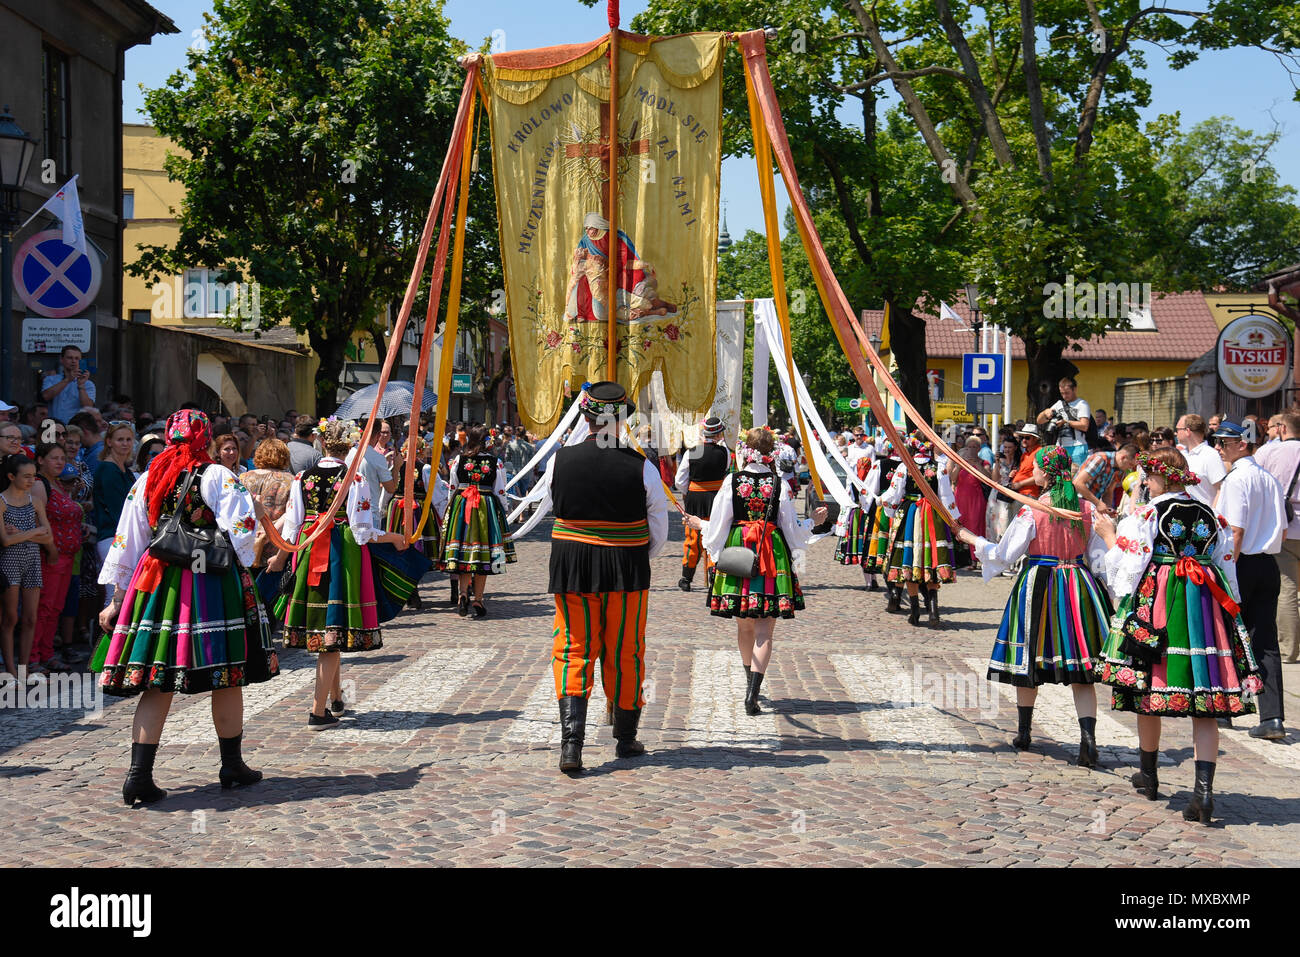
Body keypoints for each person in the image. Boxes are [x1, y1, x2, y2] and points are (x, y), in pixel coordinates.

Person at [90, 410, 277, 804]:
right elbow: (242, 529)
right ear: (206, 439)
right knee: (227, 674)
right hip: (211, 580)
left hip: (158, 581)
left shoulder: (146, 479)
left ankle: (138, 775)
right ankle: (231, 764)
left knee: (158, 680)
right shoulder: (216, 475)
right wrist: (253, 528)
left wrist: (118, 598)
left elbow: (128, 539)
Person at [1092, 448, 1263, 825]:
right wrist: (1228, 607)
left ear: (1160, 477)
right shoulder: (1209, 513)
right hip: (1203, 603)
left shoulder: (1151, 513)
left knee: (1145, 686)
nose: (1144, 484)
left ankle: (1149, 774)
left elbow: (1130, 565)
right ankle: (1204, 792)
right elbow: (1225, 563)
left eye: (1147, 478)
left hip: (1162, 598)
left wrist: (1107, 537)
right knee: (1204, 697)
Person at [536, 382, 668, 773]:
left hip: (572, 565)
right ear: (622, 418)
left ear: (586, 417)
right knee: (625, 650)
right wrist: (638, 552)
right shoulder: (642, 465)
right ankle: (625, 740)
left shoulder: (560, 459)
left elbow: (550, 503)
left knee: (572, 647)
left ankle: (571, 745)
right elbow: (658, 525)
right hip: (626, 567)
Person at [956, 446, 1112, 765]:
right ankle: (1088, 741)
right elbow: (1100, 559)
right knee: (1081, 669)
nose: (1033, 474)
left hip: (1039, 584)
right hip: (1078, 584)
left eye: (1036, 469)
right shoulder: (1086, 509)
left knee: (1027, 660)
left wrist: (971, 539)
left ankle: (1024, 732)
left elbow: (1004, 555)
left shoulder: (1033, 509)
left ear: (1046, 474)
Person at [268, 418, 410, 728]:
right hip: (341, 552)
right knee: (332, 631)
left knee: (326, 629)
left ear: (320, 443)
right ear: (350, 445)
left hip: (309, 548)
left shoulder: (302, 477)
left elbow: (292, 526)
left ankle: (335, 699)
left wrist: (280, 558)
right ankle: (318, 712)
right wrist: (394, 537)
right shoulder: (353, 478)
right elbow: (361, 531)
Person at [688, 425, 823, 716]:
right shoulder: (779, 484)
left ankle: (749, 680)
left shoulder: (732, 481)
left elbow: (720, 524)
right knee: (765, 628)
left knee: (744, 623)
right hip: (770, 551)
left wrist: (703, 528)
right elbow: (790, 529)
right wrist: (812, 521)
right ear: (770, 453)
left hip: (740, 548)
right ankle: (753, 693)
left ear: (746, 450)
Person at [1214, 420, 1288, 741]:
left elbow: (1236, 532)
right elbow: (1282, 529)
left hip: (1241, 564)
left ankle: (1231, 709)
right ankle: (1271, 716)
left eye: (1223, 442)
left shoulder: (1236, 479)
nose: (1218, 448)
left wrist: (1225, 570)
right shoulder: (1269, 478)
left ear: (1242, 444)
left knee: (1231, 637)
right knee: (1265, 641)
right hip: (1267, 563)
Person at [877, 432, 960, 628]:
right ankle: (933, 610)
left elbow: (894, 494)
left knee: (908, 559)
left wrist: (883, 502)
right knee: (930, 561)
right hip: (932, 516)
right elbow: (946, 497)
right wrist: (954, 521)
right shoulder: (939, 467)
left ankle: (915, 612)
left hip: (910, 514)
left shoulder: (904, 466)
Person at [439, 424, 515, 618]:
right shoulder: (495, 462)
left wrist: (451, 508)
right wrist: (503, 511)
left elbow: (453, 486)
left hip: (462, 504)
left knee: (464, 552)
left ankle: (463, 593)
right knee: (483, 554)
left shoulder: (459, 459)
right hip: (485, 507)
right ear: (486, 441)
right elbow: (500, 490)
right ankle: (478, 599)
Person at [562, 212, 675, 325]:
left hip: (614, 275)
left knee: (628, 293)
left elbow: (624, 260)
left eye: (590, 228)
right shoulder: (585, 241)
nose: (587, 231)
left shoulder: (612, 238)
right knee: (592, 300)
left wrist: (642, 264)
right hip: (593, 280)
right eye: (585, 228)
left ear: (597, 226)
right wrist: (578, 260)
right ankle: (649, 311)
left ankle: (658, 306)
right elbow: (576, 268)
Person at [0, 455, 53, 683]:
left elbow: (49, 535)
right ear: (12, 477)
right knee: (11, 617)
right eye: (27, 476)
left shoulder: (35, 501)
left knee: (30, 617)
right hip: (9, 561)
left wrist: (22, 535)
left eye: (34, 476)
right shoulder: (1, 501)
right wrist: (34, 532)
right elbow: (4, 541)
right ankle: (10, 668)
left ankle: (24, 669)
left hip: (32, 561)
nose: (31, 480)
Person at [1255, 409, 1300, 664]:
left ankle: (1289, 648)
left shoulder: (1271, 451)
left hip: (1286, 526)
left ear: (1282, 428)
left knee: (1287, 589)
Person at [32, 442, 81, 674]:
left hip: (66, 557)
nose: (60, 462)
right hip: (50, 557)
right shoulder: (40, 485)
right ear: (40, 460)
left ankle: (47, 653)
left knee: (55, 609)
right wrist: (51, 550)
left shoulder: (59, 485)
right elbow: (37, 521)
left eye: (63, 458)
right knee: (43, 608)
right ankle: (34, 657)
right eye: (54, 458)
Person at [241, 438, 295, 624]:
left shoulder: (244, 478)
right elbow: (293, 515)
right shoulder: (291, 481)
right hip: (276, 545)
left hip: (247, 544)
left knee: (246, 595)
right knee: (269, 598)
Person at [674, 416, 731, 592]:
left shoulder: (691, 452)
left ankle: (686, 577)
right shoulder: (725, 452)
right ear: (719, 433)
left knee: (692, 538)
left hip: (695, 499)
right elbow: (725, 472)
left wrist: (688, 491)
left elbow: (679, 480)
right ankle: (714, 574)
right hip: (716, 497)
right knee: (715, 534)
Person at [91, 423, 137, 605]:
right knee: (114, 598)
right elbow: (118, 510)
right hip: (113, 538)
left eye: (128, 439)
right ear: (109, 442)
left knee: (122, 598)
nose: (125, 444)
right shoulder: (108, 469)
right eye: (120, 440)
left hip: (123, 538)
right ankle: (107, 635)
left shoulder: (124, 470)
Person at [834, 428, 882, 590]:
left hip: (870, 517)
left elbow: (875, 466)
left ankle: (872, 579)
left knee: (869, 548)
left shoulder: (869, 451)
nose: (859, 438)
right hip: (858, 517)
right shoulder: (852, 483)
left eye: (861, 435)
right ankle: (869, 580)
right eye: (857, 435)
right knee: (863, 548)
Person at [1036, 375, 1092, 467]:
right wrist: (1046, 412)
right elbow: (1039, 421)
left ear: (1075, 389)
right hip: (1060, 447)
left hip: (1078, 446)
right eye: (1062, 393)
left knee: (1075, 477)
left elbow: (1084, 426)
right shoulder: (1059, 404)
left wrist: (1066, 422)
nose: (1064, 396)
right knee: (1062, 477)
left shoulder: (1082, 404)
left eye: (1067, 393)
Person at [1073, 443, 1138, 516]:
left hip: (1089, 506)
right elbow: (1077, 483)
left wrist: (1108, 509)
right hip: (1076, 502)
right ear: (1123, 458)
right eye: (1130, 464)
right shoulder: (1101, 458)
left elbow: (1109, 492)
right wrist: (1098, 503)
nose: (1130, 468)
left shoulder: (1120, 470)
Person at [1174, 414, 1225, 507]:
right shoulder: (1182, 454)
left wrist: (1213, 515)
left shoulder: (1210, 455)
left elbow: (1221, 489)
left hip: (1204, 518)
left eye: (1178, 429)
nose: (1175, 433)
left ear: (1187, 431)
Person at [41, 345, 96, 424]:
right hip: (55, 426)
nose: (73, 361)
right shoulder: (50, 379)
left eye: (77, 358)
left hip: (77, 427)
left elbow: (88, 407)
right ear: (62, 360)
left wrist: (81, 386)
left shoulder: (88, 384)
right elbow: (46, 396)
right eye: (70, 358)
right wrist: (68, 380)